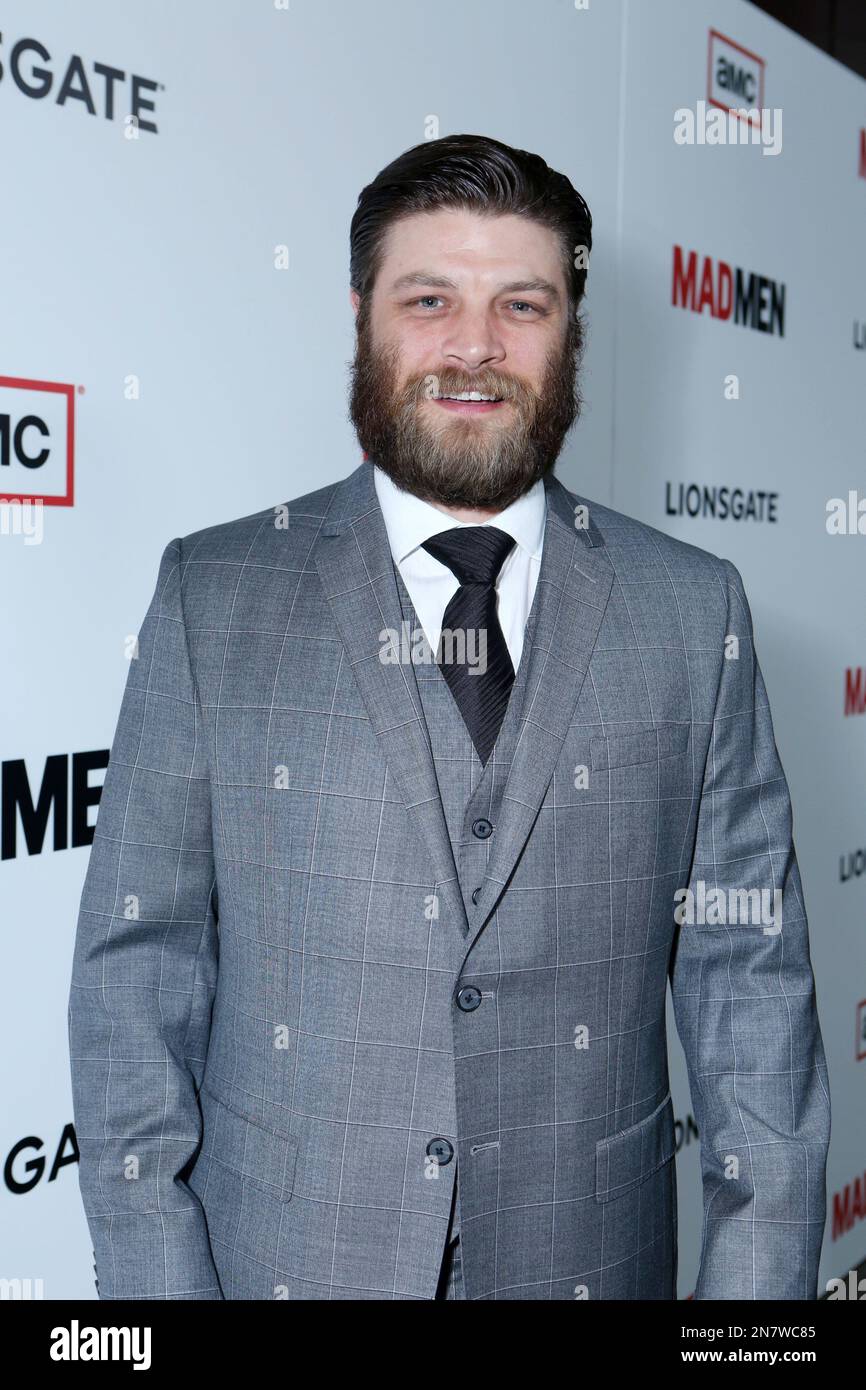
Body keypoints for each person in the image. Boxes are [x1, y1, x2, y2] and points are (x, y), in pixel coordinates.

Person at [68, 133, 830, 1301]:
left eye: (521, 304)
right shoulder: (213, 594)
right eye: (429, 299)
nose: (473, 347)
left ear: (570, 332)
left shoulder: (691, 608)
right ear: (362, 315)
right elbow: (136, 979)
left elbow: (751, 1000)